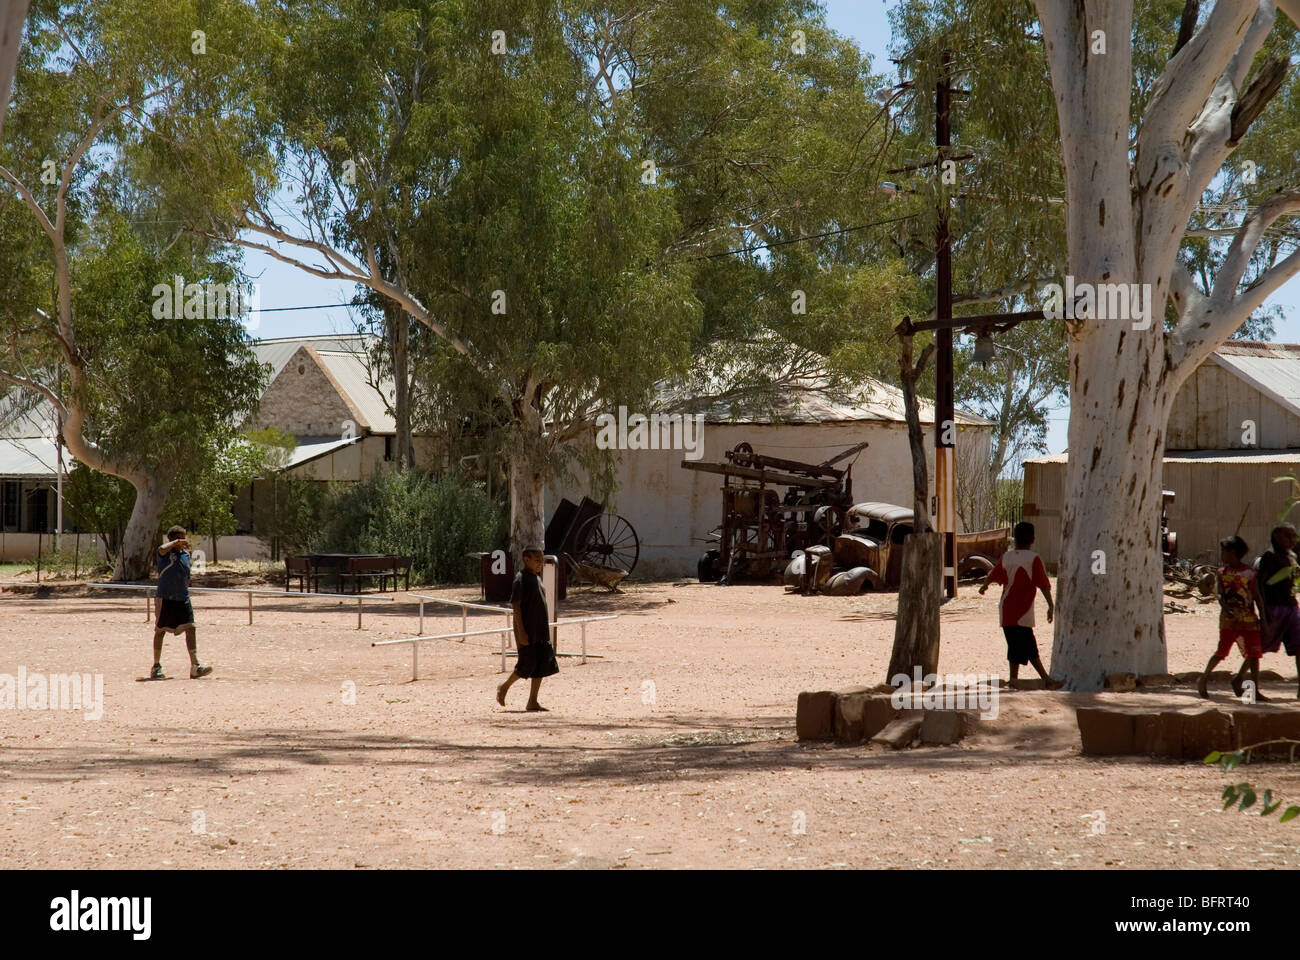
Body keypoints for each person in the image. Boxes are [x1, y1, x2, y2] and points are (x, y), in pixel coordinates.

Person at [979, 521, 1063, 690]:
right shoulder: (1034, 559)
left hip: (1005, 608)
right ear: (1032, 539)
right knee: (1029, 645)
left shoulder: (1007, 557)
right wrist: (1050, 605)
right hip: (1022, 610)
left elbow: (993, 575)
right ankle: (1046, 679)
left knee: (1014, 645)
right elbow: (1044, 585)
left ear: (1014, 539)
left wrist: (984, 586)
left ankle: (1014, 679)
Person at [1199, 535, 1268, 700]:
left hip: (1249, 618)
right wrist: (1226, 608)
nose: (1222, 554)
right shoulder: (1222, 572)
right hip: (1228, 620)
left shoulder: (1250, 573)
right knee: (1222, 651)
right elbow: (1221, 595)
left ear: (1233, 552)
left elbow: (1258, 597)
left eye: (1224, 551)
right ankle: (1203, 679)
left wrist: (1264, 619)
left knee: (1254, 655)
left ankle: (1254, 690)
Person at [496, 547, 558, 711]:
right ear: (526, 559)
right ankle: (504, 686)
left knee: (541, 665)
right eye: (537, 560)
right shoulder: (521, 579)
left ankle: (533, 701)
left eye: (542, 560)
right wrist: (521, 632)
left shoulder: (536, 578)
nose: (540, 563)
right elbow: (516, 606)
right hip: (528, 630)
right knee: (526, 665)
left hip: (541, 630)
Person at [149, 526, 213, 680]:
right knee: (160, 630)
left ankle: (195, 666)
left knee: (191, 628)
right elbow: (161, 549)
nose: (181, 541)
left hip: (182, 598)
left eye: (183, 537)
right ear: (171, 539)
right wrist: (173, 544)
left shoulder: (185, 555)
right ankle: (156, 666)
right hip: (166, 598)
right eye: (178, 538)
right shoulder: (164, 554)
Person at [1253, 523, 1300, 700]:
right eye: (1289, 536)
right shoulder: (1269, 556)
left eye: (1294, 537)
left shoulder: (1292, 556)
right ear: (1278, 537)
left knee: (1299, 644)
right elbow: (1259, 585)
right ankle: (1243, 681)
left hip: (1291, 607)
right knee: (1257, 649)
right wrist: (1264, 611)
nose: (1293, 540)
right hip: (1274, 608)